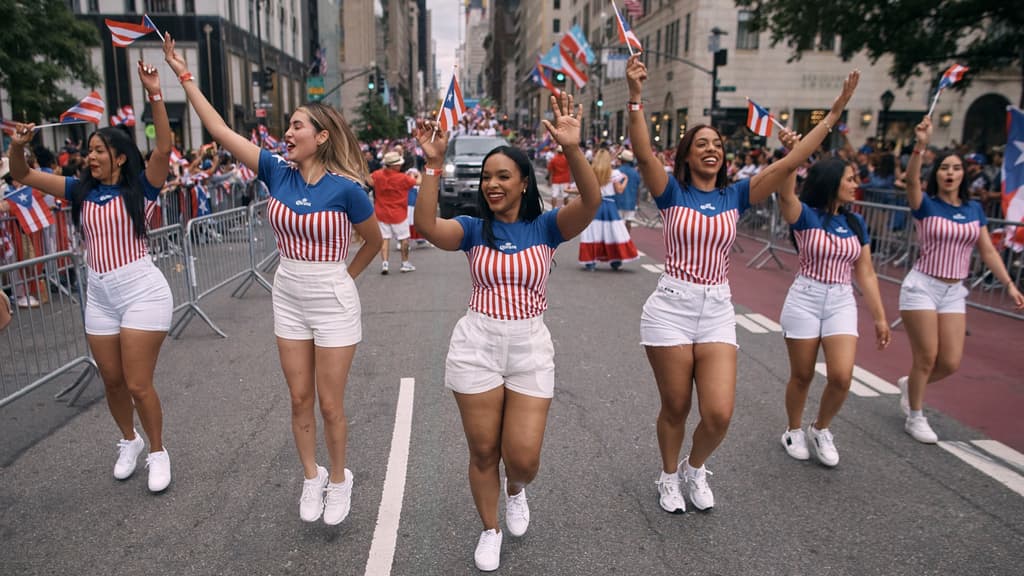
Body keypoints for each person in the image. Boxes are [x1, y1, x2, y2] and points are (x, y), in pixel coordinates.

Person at [626, 53, 860, 513]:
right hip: (671, 306)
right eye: (702, 144)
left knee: (718, 413)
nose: (712, 149)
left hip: (716, 308)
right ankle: (669, 476)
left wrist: (832, 115)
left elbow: (794, 158)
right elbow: (643, 152)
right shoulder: (673, 192)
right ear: (688, 155)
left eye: (717, 144)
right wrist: (636, 97)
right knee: (675, 407)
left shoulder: (737, 194)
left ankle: (695, 467)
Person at [164, 34, 383, 523]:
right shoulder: (276, 172)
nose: (288, 132)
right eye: (288, 125)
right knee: (299, 396)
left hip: (332, 296)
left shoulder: (348, 190)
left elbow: (373, 242)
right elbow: (219, 129)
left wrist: (341, 278)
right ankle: (312, 477)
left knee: (329, 403)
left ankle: (341, 480)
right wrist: (183, 76)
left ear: (321, 136)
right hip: (287, 293)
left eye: (298, 125)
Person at [413, 93, 600, 572]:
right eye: (486, 177)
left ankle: (516, 489)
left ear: (522, 183)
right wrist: (432, 165)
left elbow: (592, 201)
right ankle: (490, 528)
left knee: (523, 459)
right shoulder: (474, 229)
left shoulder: (547, 227)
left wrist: (573, 150)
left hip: (529, 347)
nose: (492, 184)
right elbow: (426, 226)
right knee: (482, 450)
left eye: (502, 176)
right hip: (477, 344)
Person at [8, 60, 175, 492]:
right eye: (90, 150)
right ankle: (129, 441)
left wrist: (154, 92)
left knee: (138, 383)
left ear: (119, 156)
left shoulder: (142, 188)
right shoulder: (79, 190)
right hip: (99, 294)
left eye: (100, 150)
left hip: (141, 290)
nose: (91, 156)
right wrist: (20, 145)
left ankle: (158, 451)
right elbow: (22, 174)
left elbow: (163, 149)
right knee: (113, 380)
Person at [896, 116, 1024, 443]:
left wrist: (1009, 284)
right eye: (943, 168)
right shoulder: (925, 204)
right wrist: (920, 146)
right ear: (935, 173)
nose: (949, 173)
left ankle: (910, 385)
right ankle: (915, 415)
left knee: (950, 362)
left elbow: (989, 252)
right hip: (922, 286)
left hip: (954, 291)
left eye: (955, 168)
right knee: (926, 357)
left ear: (963, 173)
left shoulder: (973, 209)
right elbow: (911, 183)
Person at [775, 132, 891, 467]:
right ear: (831, 182)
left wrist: (880, 316)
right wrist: (793, 152)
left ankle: (820, 428)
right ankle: (793, 429)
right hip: (806, 297)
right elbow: (785, 190)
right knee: (803, 374)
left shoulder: (855, 222)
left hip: (841, 299)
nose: (856, 184)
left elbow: (866, 272)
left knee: (841, 376)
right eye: (850, 179)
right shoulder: (804, 214)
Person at [577, 149, 638, 270]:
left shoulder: (591, 171)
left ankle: (590, 261)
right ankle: (615, 260)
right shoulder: (613, 173)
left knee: (593, 232)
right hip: (609, 205)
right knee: (613, 231)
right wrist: (625, 180)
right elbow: (619, 190)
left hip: (594, 204)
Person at [369, 151, 420, 274]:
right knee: (404, 239)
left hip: (381, 212)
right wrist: (417, 175)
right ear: (395, 165)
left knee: (385, 239)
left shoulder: (378, 175)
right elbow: (417, 182)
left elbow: (369, 180)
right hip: (399, 213)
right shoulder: (402, 178)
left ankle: (385, 264)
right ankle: (404, 263)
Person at [615, 149, 641, 231]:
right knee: (628, 222)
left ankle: (618, 240)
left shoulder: (617, 171)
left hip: (618, 200)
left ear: (622, 160)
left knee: (617, 223)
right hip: (631, 201)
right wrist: (637, 201)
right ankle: (627, 240)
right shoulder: (635, 173)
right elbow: (638, 189)